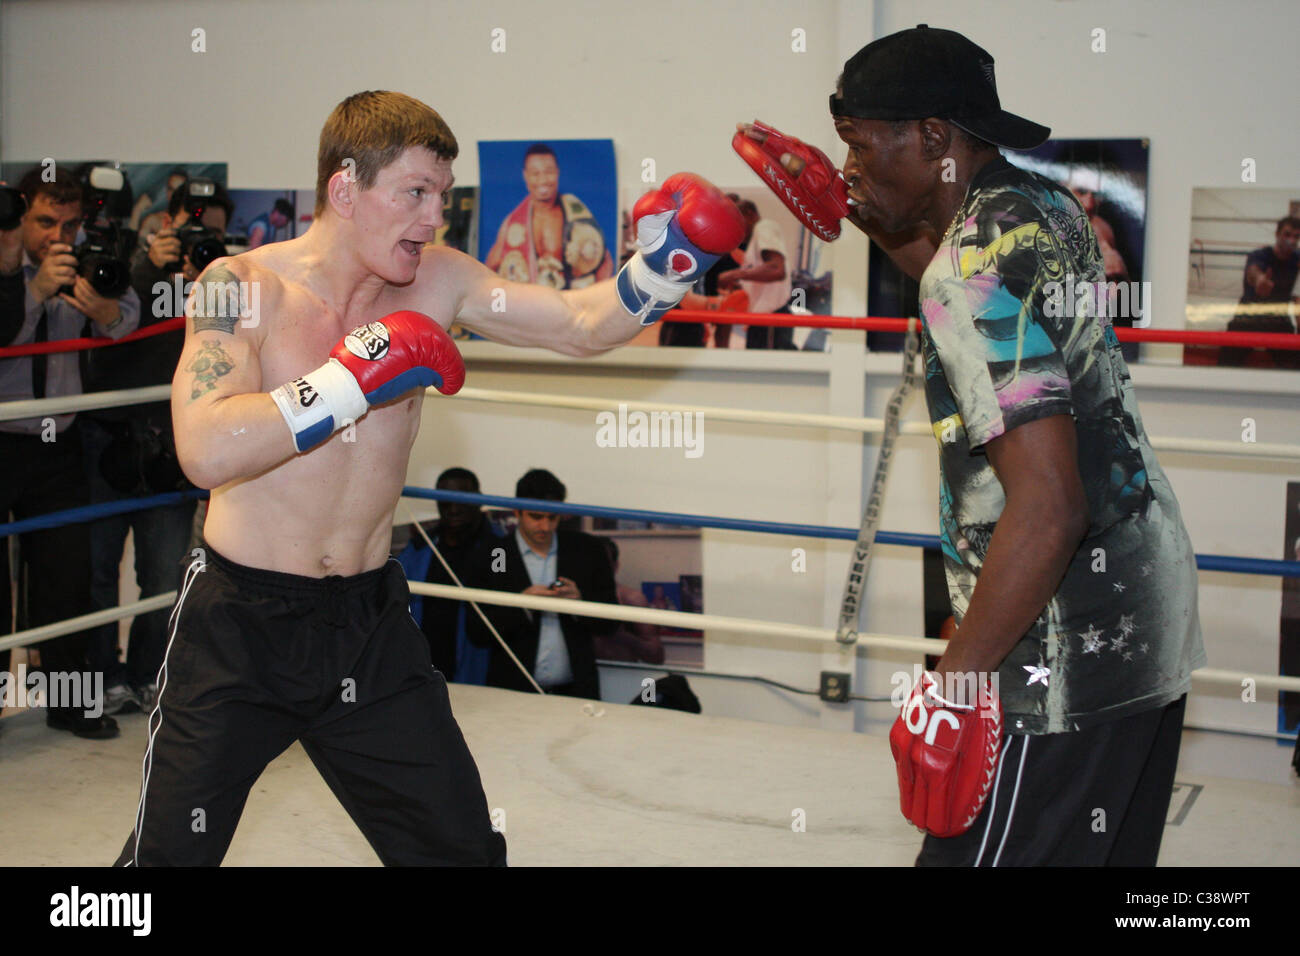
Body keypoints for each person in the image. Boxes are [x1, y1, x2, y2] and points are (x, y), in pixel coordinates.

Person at [114, 89, 743, 865]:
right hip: (238, 625)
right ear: (345, 189)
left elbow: (580, 327)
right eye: (414, 192)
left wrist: (667, 263)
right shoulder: (239, 287)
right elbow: (204, 449)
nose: (432, 217)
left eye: (440, 196)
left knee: (460, 854)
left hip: (365, 627)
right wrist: (347, 382)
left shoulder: (439, 278)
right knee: (159, 870)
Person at [743, 24, 1204, 865]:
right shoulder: (1041, 206)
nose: (847, 166)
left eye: (858, 145)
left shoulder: (971, 273)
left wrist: (955, 683)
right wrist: (859, 209)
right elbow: (947, 261)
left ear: (929, 139)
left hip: (1061, 652)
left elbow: (1048, 507)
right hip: (1146, 613)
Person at [81, 181, 235, 715]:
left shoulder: (223, 282)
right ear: (167, 225)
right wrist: (153, 268)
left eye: (213, 235)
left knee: (165, 571)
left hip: (171, 450)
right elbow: (116, 329)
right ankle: (100, 682)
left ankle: (147, 675)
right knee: (98, 569)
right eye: (194, 231)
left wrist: (205, 281)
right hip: (109, 440)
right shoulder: (125, 262)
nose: (202, 243)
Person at [0, 164, 141, 740]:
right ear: (23, 213)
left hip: (59, 446)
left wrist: (107, 314)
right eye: (44, 221)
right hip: (0, 441)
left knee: (66, 580)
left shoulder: (88, 253)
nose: (58, 234)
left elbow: (128, 312)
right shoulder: (7, 263)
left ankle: (69, 703)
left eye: (69, 221)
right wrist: (30, 291)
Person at [465, 469, 617, 699]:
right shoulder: (494, 554)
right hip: (512, 693)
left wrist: (580, 602)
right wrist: (522, 606)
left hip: (577, 693)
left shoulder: (588, 550)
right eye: (536, 517)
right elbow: (476, 632)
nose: (545, 527)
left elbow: (611, 623)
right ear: (516, 511)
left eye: (552, 517)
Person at [395, 466, 502, 684]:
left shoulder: (499, 549)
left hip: (481, 669)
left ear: (479, 501)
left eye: (460, 500)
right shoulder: (418, 549)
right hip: (424, 670)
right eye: (445, 501)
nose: (453, 510)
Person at [483, 143, 614, 289]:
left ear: (557, 172)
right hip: (528, 307)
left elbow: (603, 261)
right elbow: (489, 270)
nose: (543, 180)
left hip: (570, 305)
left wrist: (592, 301)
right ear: (525, 176)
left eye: (549, 172)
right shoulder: (512, 223)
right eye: (535, 173)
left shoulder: (575, 213)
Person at [1217, 215, 1300, 369]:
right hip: (1248, 318)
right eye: (1287, 234)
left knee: (1293, 365)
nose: (1292, 240)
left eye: (1296, 236)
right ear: (1277, 235)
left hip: (1277, 320)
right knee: (1226, 364)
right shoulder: (1260, 255)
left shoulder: (1297, 259)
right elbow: (1253, 271)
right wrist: (1260, 280)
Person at [717, 198, 795, 349]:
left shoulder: (764, 226)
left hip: (771, 319)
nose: (736, 229)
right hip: (761, 321)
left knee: (769, 371)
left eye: (737, 221)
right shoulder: (754, 243)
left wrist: (733, 274)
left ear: (750, 214)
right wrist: (742, 284)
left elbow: (776, 269)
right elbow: (763, 274)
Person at [594, 538, 664, 664]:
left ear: (615, 566)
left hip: (624, 676)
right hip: (584, 677)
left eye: (603, 563)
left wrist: (621, 635)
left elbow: (657, 657)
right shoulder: (575, 597)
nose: (597, 570)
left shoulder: (631, 599)